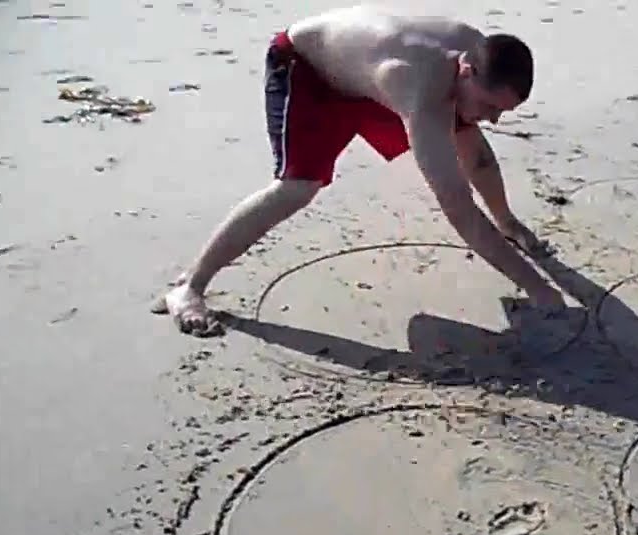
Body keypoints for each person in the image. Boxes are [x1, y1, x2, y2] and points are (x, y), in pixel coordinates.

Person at [153, 4, 564, 337]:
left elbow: (476, 153)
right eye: (492, 106)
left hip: (367, 72)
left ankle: (509, 223)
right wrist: (536, 288)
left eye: (502, 111)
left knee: (471, 139)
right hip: (310, 70)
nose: (494, 119)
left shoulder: (476, 53)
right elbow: (458, 207)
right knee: (297, 187)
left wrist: (505, 230)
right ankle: (190, 287)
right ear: (467, 71)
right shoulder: (418, 90)